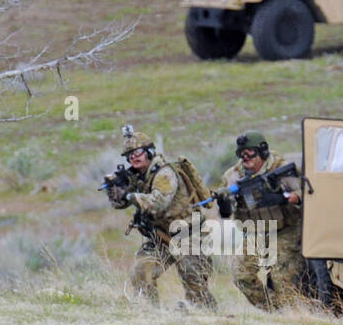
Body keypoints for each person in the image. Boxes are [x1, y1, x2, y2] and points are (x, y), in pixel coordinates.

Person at [106, 126, 216, 311]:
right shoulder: (138, 176)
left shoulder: (164, 173)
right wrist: (115, 193)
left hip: (188, 235)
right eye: (129, 155)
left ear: (149, 152)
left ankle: (208, 318)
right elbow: (121, 204)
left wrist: (129, 196)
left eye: (137, 152)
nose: (133, 157)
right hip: (161, 237)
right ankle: (153, 315)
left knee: (194, 284)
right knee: (140, 273)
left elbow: (157, 203)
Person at [213, 131, 303, 311]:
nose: (245, 158)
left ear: (262, 151)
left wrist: (282, 198)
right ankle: (274, 311)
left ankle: (294, 316)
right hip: (256, 231)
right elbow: (226, 212)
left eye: (250, 153)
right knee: (241, 274)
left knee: (281, 279)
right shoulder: (234, 176)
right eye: (241, 154)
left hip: (286, 229)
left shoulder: (281, 168)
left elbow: (303, 194)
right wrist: (223, 204)